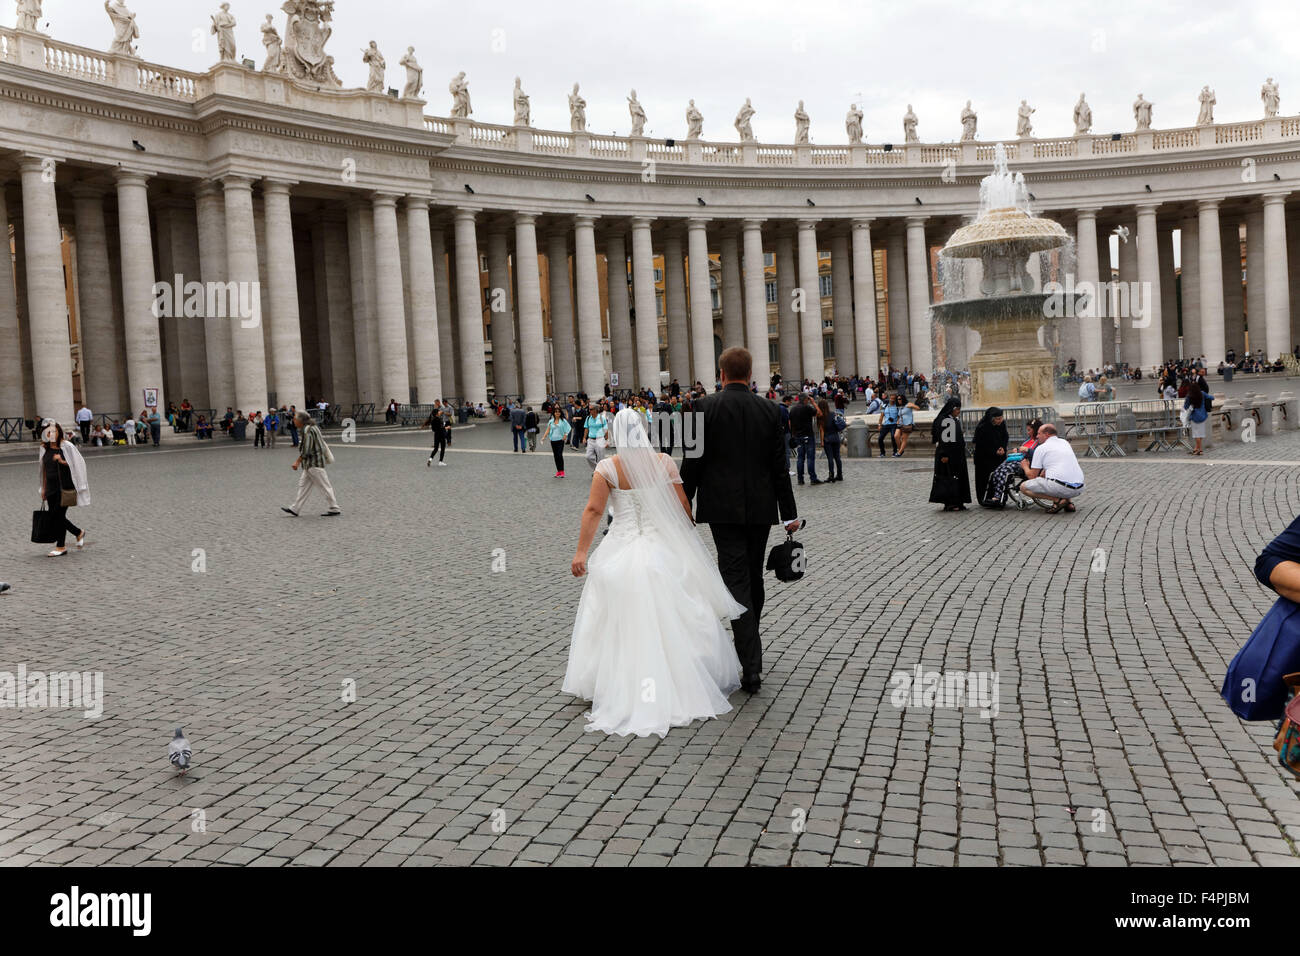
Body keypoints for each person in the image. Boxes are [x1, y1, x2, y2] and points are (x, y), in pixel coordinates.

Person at [565, 409, 747, 738]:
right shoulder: (663, 462)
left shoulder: (608, 468)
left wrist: (581, 551)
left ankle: (611, 680)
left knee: (612, 612)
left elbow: (593, 510)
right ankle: (684, 675)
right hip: (660, 545)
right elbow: (681, 507)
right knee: (676, 609)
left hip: (621, 544)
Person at [680, 347, 801, 695]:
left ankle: (750, 665)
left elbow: (693, 462)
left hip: (720, 510)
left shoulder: (699, 407)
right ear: (750, 375)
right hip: (762, 509)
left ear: (721, 374)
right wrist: (789, 513)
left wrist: (683, 501)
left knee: (735, 580)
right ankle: (749, 651)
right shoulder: (772, 410)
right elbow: (781, 469)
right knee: (751, 577)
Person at [37, 423, 89, 558]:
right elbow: (43, 470)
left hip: (64, 487)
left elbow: (78, 464)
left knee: (57, 516)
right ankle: (78, 532)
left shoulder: (67, 446)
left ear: (59, 432)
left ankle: (61, 546)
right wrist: (43, 488)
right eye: (48, 432)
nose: (51, 434)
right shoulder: (44, 448)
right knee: (56, 516)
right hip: (50, 488)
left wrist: (62, 461)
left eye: (54, 431)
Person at [282, 411, 341, 518]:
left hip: (314, 463)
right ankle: (296, 508)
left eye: (295, 419)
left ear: (301, 420)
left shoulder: (307, 430)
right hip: (310, 464)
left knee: (324, 486)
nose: (293, 421)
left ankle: (334, 507)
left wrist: (297, 462)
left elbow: (306, 449)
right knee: (303, 486)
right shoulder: (314, 427)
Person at [1019, 423, 1085, 513]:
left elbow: (1032, 477)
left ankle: (1058, 500)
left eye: (1039, 433)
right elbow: (1058, 461)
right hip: (1080, 487)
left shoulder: (1041, 448)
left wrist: (1025, 466)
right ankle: (1068, 503)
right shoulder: (1064, 442)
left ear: (1047, 434)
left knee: (1023, 487)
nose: (1037, 436)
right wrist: (1045, 470)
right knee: (1059, 477)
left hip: (1061, 487)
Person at [983, 418, 1042, 507]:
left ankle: (998, 497)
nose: (1028, 432)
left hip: (1027, 463)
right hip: (1017, 460)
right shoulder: (1028, 440)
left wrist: (1027, 450)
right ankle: (997, 495)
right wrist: (1017, 450)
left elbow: (1039, 455)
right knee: (997, 471)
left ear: (1035, 430)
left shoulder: (1040, 442)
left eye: (1029, 430)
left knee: (1004, 471)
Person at [929, 398, 970, 512]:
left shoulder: (952, 419)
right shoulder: (945, 421)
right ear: (952, 409)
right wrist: (944, 455)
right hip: (948, 456)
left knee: (957, 478)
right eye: (957, 409)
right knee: (949, 478)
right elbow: (943, 440)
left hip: (956, 455)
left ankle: (958, 501)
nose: (959, 411)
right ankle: (951, 503)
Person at [972, 407, 1008, 504]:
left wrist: (1003, 447)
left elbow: (1005, 437)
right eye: (998, 419)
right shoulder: (982, 427)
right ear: (992, 418)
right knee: (984, 479)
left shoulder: (1002, 424)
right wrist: (994, 451)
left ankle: (999, 497)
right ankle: (984, 498)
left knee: (999, 476)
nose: (1000, 420)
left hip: (999, 456)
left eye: (1001, 418)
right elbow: (981, 445)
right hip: (984, 458)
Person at [789, 394, 821, 485]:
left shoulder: (793, 409)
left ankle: (800, 479)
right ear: (806, 400)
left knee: (800, 458)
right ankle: (813, 478)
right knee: (810, 458)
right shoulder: (807, 407)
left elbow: (790, 423)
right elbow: (819, 413)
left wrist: (793, 434)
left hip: (798, 436)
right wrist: (813, 402)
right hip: (808, 435)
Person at [818, 397, 845, 482]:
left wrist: (822, 441)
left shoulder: (821, 417)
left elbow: (822, 430)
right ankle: (840, 475)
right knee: (837, 457)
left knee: (830, 458)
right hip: (836, 438)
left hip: (827, 438)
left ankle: (831, 475)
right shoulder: (833, 414)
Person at [1184, 378, 1210, 456]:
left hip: (1195, 417)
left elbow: (1185, 407)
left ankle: (1200, 449)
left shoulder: (1189, 396)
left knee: (1196, 434)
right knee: (1201, 434)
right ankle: (1196, 448)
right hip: (1202, 416)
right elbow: (1212, 397)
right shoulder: (1202, 393)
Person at [545, 407, 572, 478]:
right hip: (553, 440)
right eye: (556, 412)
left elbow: (569, 428)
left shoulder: (563, 421)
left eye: (559, 412)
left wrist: (566, 435)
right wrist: (543, 437)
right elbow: (548, 430)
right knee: (556, 456)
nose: (557, 413)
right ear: (554, 413)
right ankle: (558, 471)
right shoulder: (551, 421)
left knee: (560, 455)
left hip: (560, 440)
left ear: (560, 413)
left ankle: (562, 471)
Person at [583, 401, 610, 469]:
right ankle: (596, 469)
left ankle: (600, 472)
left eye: (591, 409)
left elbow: (606, 429)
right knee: (588, 457)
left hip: (600, 439)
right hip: (591, 440)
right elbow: (586, 428)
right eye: (589, 409)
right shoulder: (588, 418)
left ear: (595, 410)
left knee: (601, 458)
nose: (589, 411)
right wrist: (584, 438)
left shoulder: (602, 418)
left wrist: (607, 441)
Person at [427, 400, 449, 467]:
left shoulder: (433, 420)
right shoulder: (438, 420)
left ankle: (430, 459)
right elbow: (441, 428)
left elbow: (433, 429)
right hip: (441, 435)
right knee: (443, 448)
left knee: (436, 448)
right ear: (437, 413)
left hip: (436, 435)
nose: (440, 412)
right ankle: (440, 461)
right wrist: (446, 427)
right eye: (438, 411)